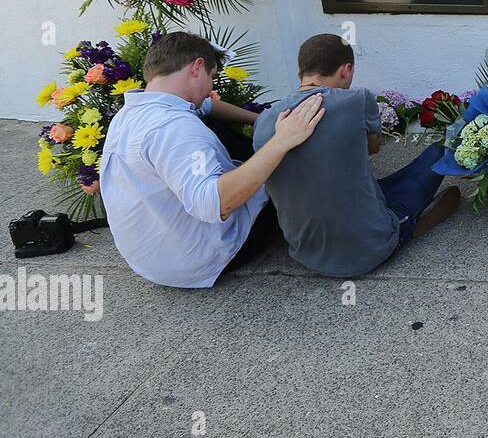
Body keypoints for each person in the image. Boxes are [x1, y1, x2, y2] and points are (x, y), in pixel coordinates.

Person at [100, 32, 325, 288]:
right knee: (287, 167)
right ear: (197, 67)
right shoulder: (175, 128)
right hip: (202, 261)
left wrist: (263, 121)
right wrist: (282, 139)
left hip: (152, 260)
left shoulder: (134, 111)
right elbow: (215, 204)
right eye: (212, 76)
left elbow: (206, 106)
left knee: (212, 124)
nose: (211, 88)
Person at [252, 34, 461, 277]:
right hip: (368, 251)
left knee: (372, 187)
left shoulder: (264, 122)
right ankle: (404, 230)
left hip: (306, 254)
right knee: (437, 153)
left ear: (301, 74)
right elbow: (373, 148)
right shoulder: (357, 100)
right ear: (346, 69)